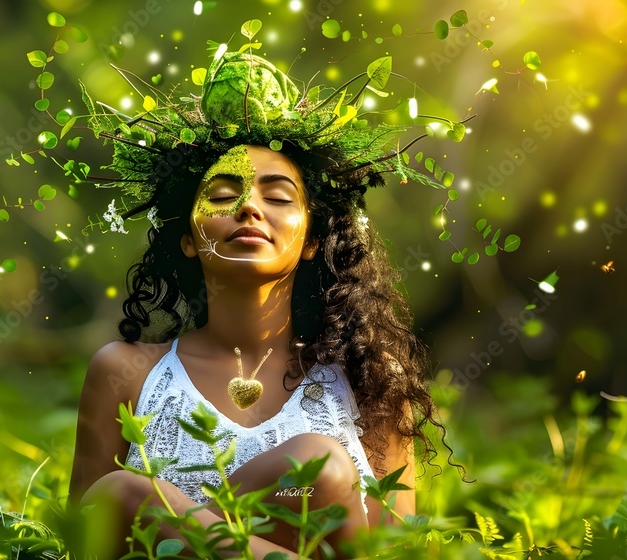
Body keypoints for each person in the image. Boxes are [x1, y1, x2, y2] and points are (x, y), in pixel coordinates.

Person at [65, 36, 453, 558]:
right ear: (186, 235)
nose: (249, 207)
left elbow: (394, 550)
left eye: (277, 196)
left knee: (313, 472)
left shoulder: (368, 377)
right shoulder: (126, 374)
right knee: (120, 495)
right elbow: (83, 543)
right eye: (223, 195)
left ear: (315, 239)